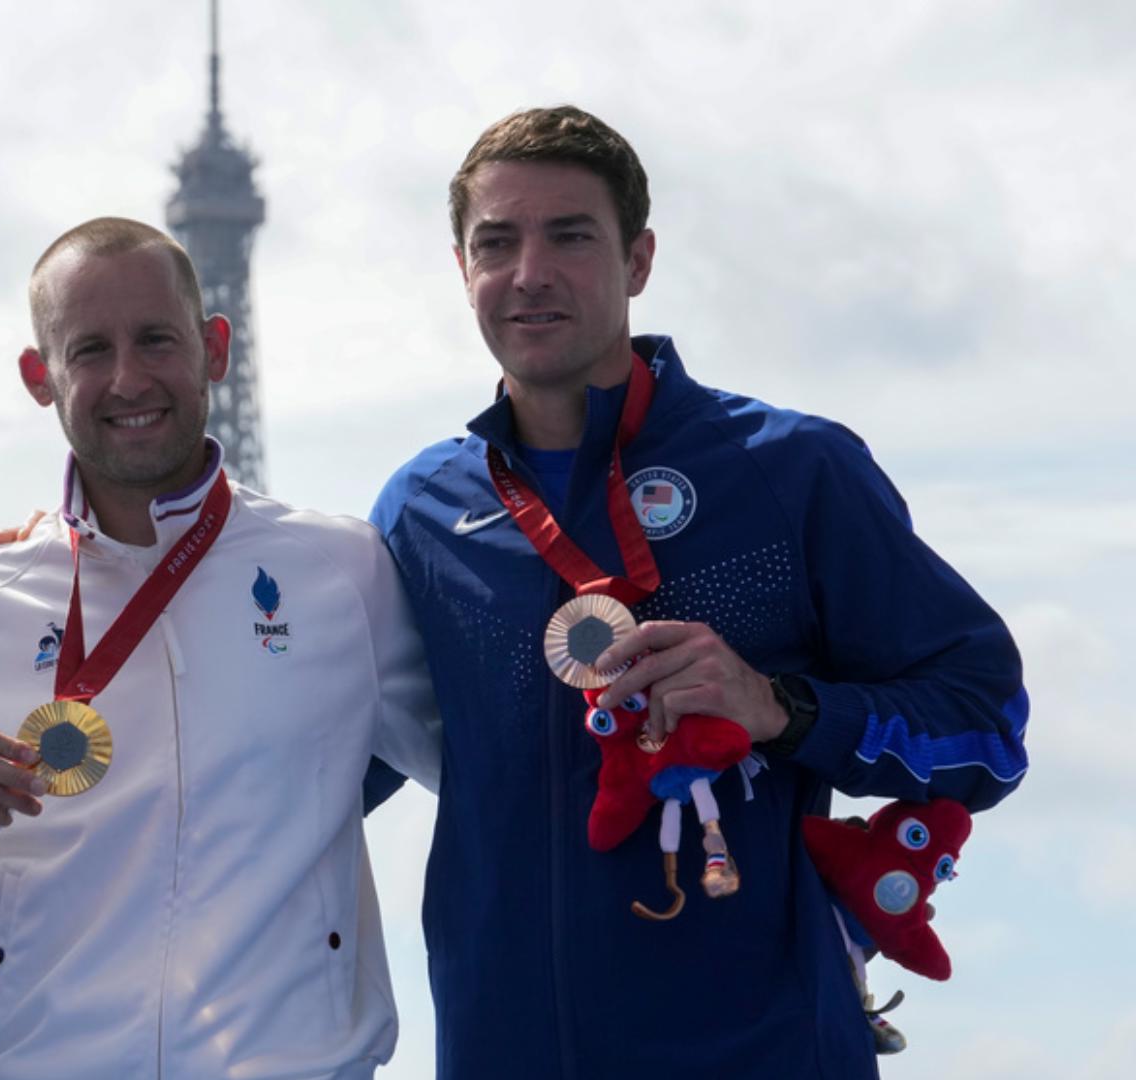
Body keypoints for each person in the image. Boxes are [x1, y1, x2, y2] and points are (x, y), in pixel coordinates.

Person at [368, 106, 1030, 1078]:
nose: (530, 272)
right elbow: (322, 770)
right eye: (496, 242)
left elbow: (990, 728)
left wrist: (782, 708)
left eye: (571, 236)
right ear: (461, 267)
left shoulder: (792, 472)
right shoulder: (420, 511)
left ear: (638, 260)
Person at [0, 217, 441, 1079]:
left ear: (215, 347)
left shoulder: (345, 573)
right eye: (89, 350)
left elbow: (499, 779)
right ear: (40, 377)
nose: (128, 378)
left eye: (156, 340)